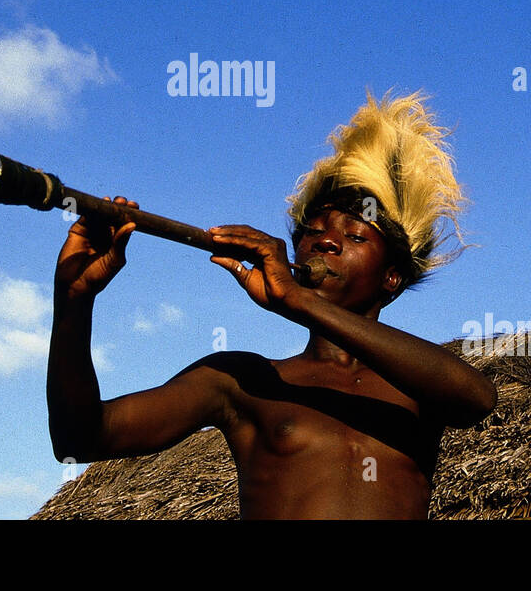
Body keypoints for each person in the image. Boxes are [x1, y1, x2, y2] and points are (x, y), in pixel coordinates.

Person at [47, 92, 497, 519]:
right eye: (314, 231)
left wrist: (298, 300)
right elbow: (79, 438)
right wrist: (74, 301)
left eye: (355, 236)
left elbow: (477, 399)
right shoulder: (242, 379)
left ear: (392, 279)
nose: (327, 240)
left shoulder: (419, 384)